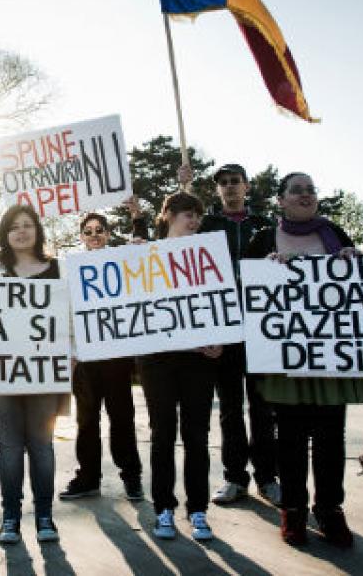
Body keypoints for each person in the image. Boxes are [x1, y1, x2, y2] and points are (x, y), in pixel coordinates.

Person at [245, 172, 363, 548]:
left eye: (311, 190)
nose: (305, 195)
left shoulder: (336, 236)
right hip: (287, 359)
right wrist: (266, 269)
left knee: (331, 439)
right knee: (292, 440)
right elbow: (245, 284)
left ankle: (330, 509)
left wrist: (355, 260)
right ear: (280, 200)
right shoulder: (262, 239)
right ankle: (294, 510)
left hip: (332, 358)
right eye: (296, 190)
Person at [196, 164, 280, 507]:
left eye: (236, 182)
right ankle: (234, 477)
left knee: (263, 407)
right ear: (217, 190)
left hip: (261, 325)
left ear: (246, 186)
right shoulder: (208, 225)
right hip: (223, 325)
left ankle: (267, 478)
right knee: (230, 408)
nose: (230, 187)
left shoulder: (267, 226)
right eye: (224, 183)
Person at [138, 191, 218, 542]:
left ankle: (198, 509)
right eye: (188, 214)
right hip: (156, 360)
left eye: (198, 216)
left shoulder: (208, 256)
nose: (194, 221)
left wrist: (220, 340)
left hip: (197, 360)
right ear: (168, 214)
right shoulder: (144, 254)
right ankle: (164, 508)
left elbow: (218, 302)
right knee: (162, 435)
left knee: (197, 436)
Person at [0, 204, 66, 545]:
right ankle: (10, 517)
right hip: (3, 373)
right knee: (9, 447)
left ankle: (45, 516)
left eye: (27, 225)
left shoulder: (58, 269)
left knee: (42, 446)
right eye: (14, 226)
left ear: (37, 230)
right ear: (5, 233)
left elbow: (70, 314)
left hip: (45, 372)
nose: (21, 231)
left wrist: (71, 355)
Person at [59, 212, 144, 502]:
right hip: (84, 359)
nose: (94, 234)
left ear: (108, 234)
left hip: (115, 356)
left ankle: (131, 477)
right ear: (81, 236)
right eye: (88, 230)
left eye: (99, 230)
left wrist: (139, 221)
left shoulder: (120, 260)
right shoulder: (69, 267)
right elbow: (67, 313)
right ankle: (88, 478)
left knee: (122, 418)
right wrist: (71, 354)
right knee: (86, 421)